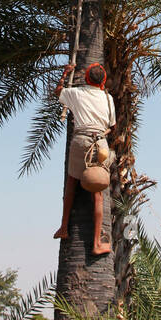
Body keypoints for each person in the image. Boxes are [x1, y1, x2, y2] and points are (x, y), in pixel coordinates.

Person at [53, 61, 115, 255]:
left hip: (80, 140)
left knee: (72, 180)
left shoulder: (76, 93)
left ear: (86, 78)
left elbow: (58, 92)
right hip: (100, 143)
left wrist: (65, 73)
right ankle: (97, 243)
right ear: (103, 82)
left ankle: (64, 227)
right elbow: (111, 126)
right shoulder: (108, 99)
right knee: (97, 193)